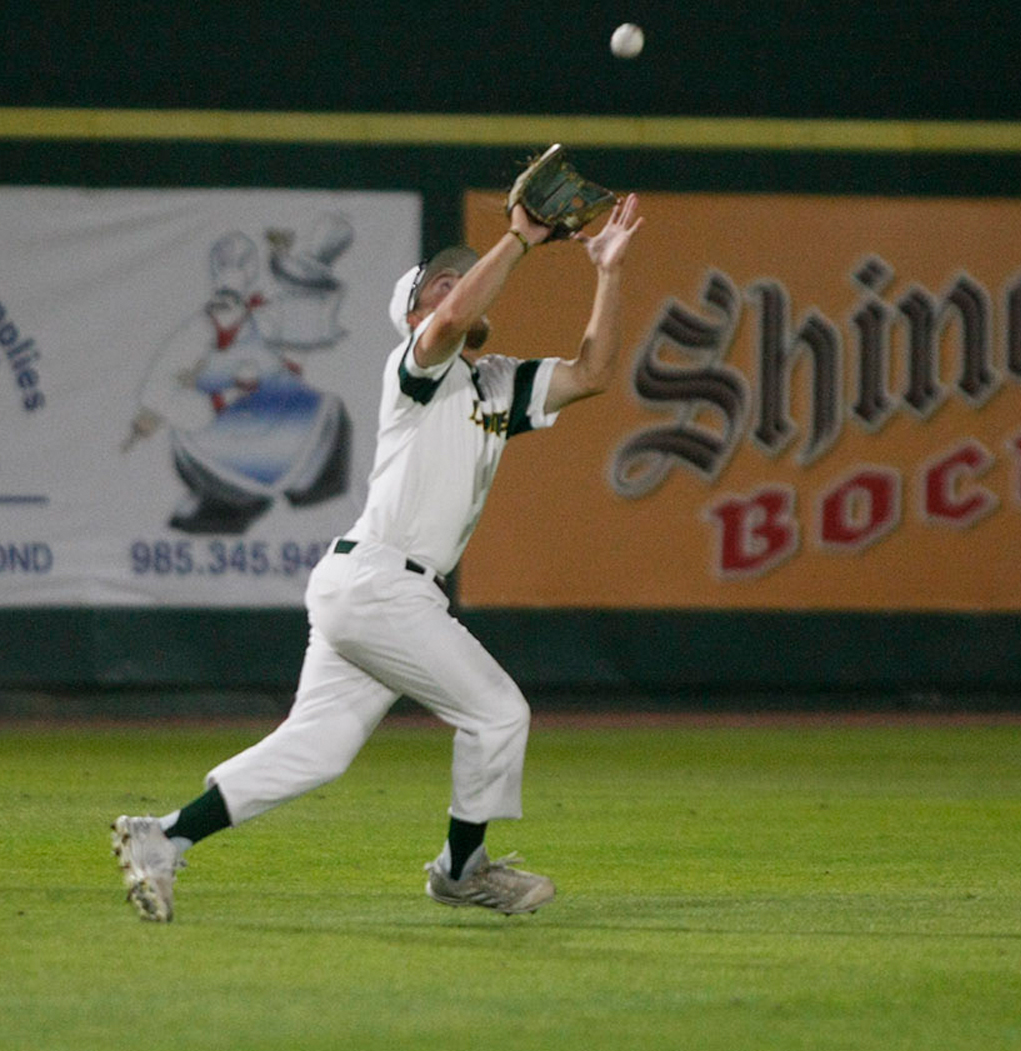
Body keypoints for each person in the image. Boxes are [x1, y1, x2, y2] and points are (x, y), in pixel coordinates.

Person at [112, 189, 644, 922]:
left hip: (369, 588)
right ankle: (460, 871)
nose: (457, 289)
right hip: (379, 584)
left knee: (319, 748)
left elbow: (593, 374)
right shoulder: (416, 365)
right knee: (497, 715)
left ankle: (164, 836)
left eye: (465, 277)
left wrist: (608, 274)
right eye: (440, 283)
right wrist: (519, 238)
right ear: (416, 314)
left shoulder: (495, 385)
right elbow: (452, 321)